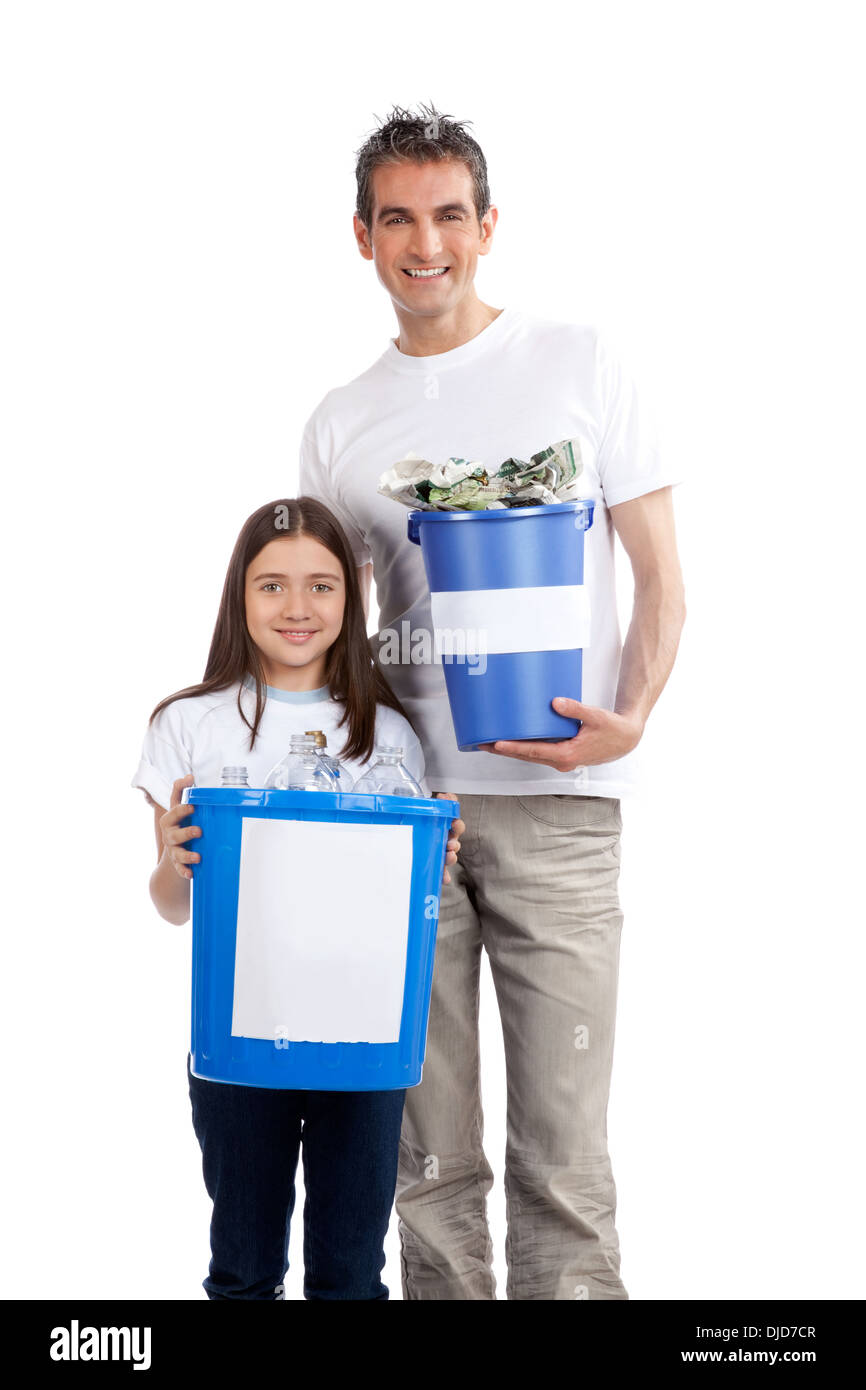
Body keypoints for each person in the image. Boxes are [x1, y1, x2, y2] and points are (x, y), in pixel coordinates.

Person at [297, 103, 687, 1300]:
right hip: (406, 816)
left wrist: (633, 714)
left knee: (564, 1160)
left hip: (561, 802)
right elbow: (326, 632)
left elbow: (660, 574)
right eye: (399, 218)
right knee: (426, 1161)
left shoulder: (578, 362)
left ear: (486, 226)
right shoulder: (339, 424)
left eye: (449, 215)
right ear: (361, 236)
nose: (427, 242)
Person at [130, 496, 464, 1300]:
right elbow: (173, 906)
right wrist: (176, 861)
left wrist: (434, 864)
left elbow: (402, 909)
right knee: (243, 1271)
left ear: (351, 601)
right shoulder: (190, 724)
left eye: (321, 585)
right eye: (271, 585)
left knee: (351, 1275)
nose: (297, 607)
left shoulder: (386, 734)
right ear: (239, 597)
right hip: (242, 1035)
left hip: (363, 1039)